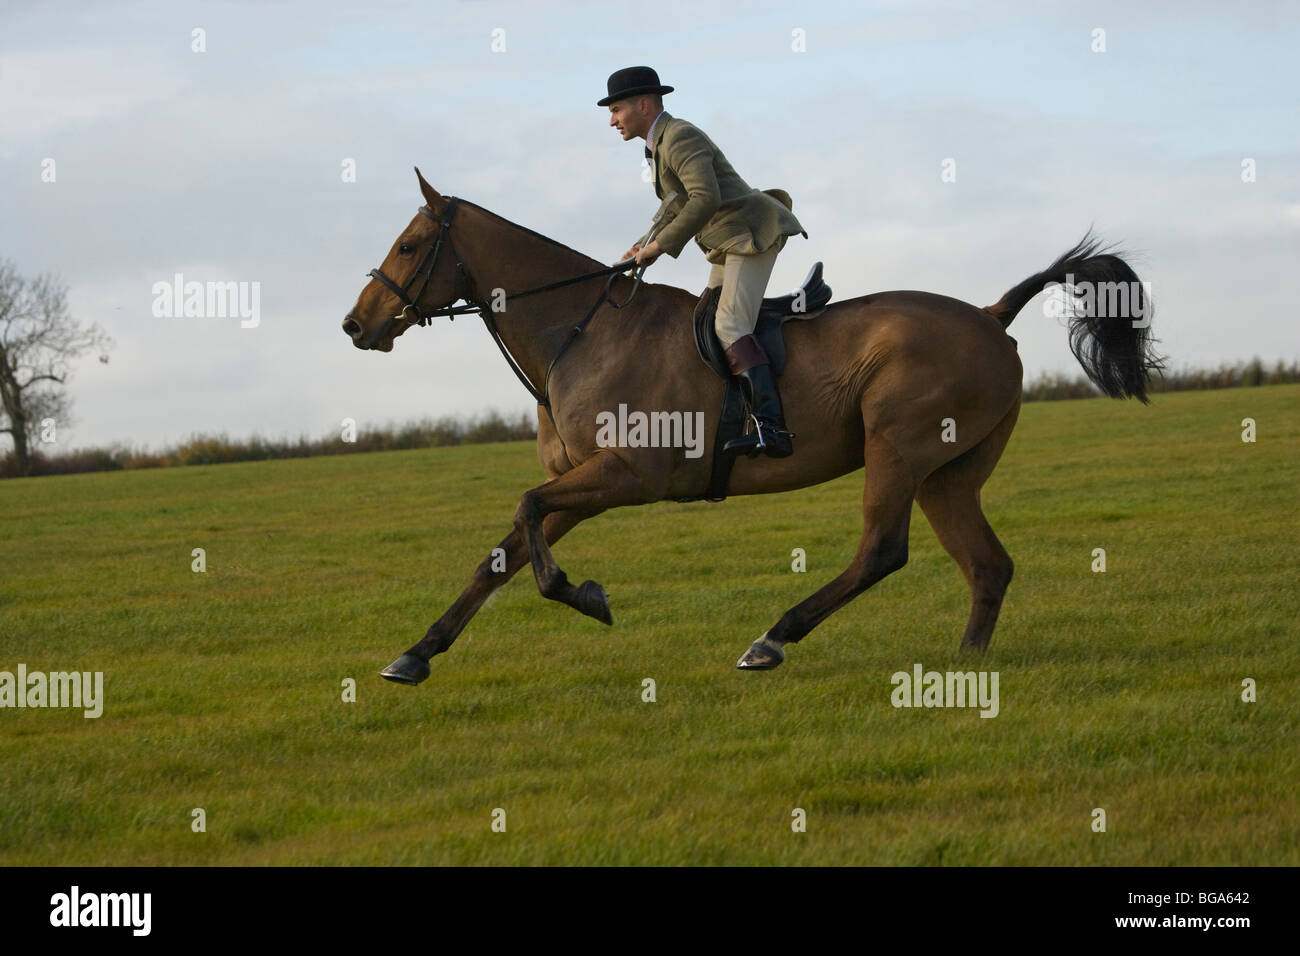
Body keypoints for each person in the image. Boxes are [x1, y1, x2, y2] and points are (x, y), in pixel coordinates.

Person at [599, 66, 807, 458]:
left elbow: (704, 198)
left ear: (643, 105)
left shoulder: (679, 136)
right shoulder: (658, 144)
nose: (612, 121)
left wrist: (660, 247)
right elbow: (674, 204)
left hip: (750, 234)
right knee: (705, 320)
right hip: (727, 242)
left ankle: (773, 430)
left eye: (616, 110)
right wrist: (642, 244)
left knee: (729, 324)